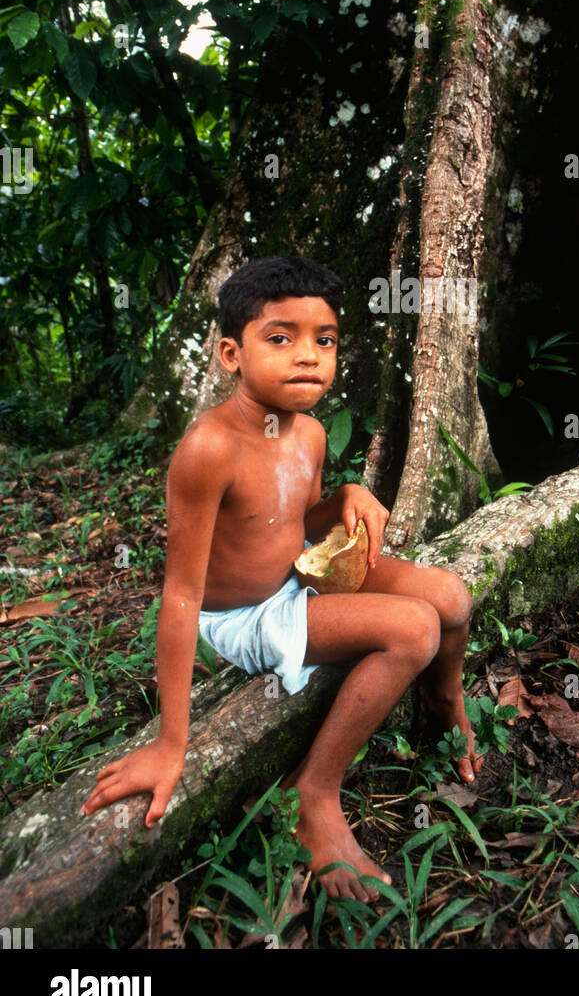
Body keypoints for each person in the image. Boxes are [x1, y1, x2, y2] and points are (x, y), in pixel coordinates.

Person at [81, 255, 483, 902]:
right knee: (414, 628)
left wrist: (346, 496)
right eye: (281, 337)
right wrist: (170, 740)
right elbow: (180, 596)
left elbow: (298, 522)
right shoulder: (209, 448)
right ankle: (315, 792)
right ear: (230, 354)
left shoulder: (313, 434)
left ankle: (442, 703)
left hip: (296, 578)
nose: (308, 356)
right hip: (242, 617)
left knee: (452, 599)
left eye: (323, 339)